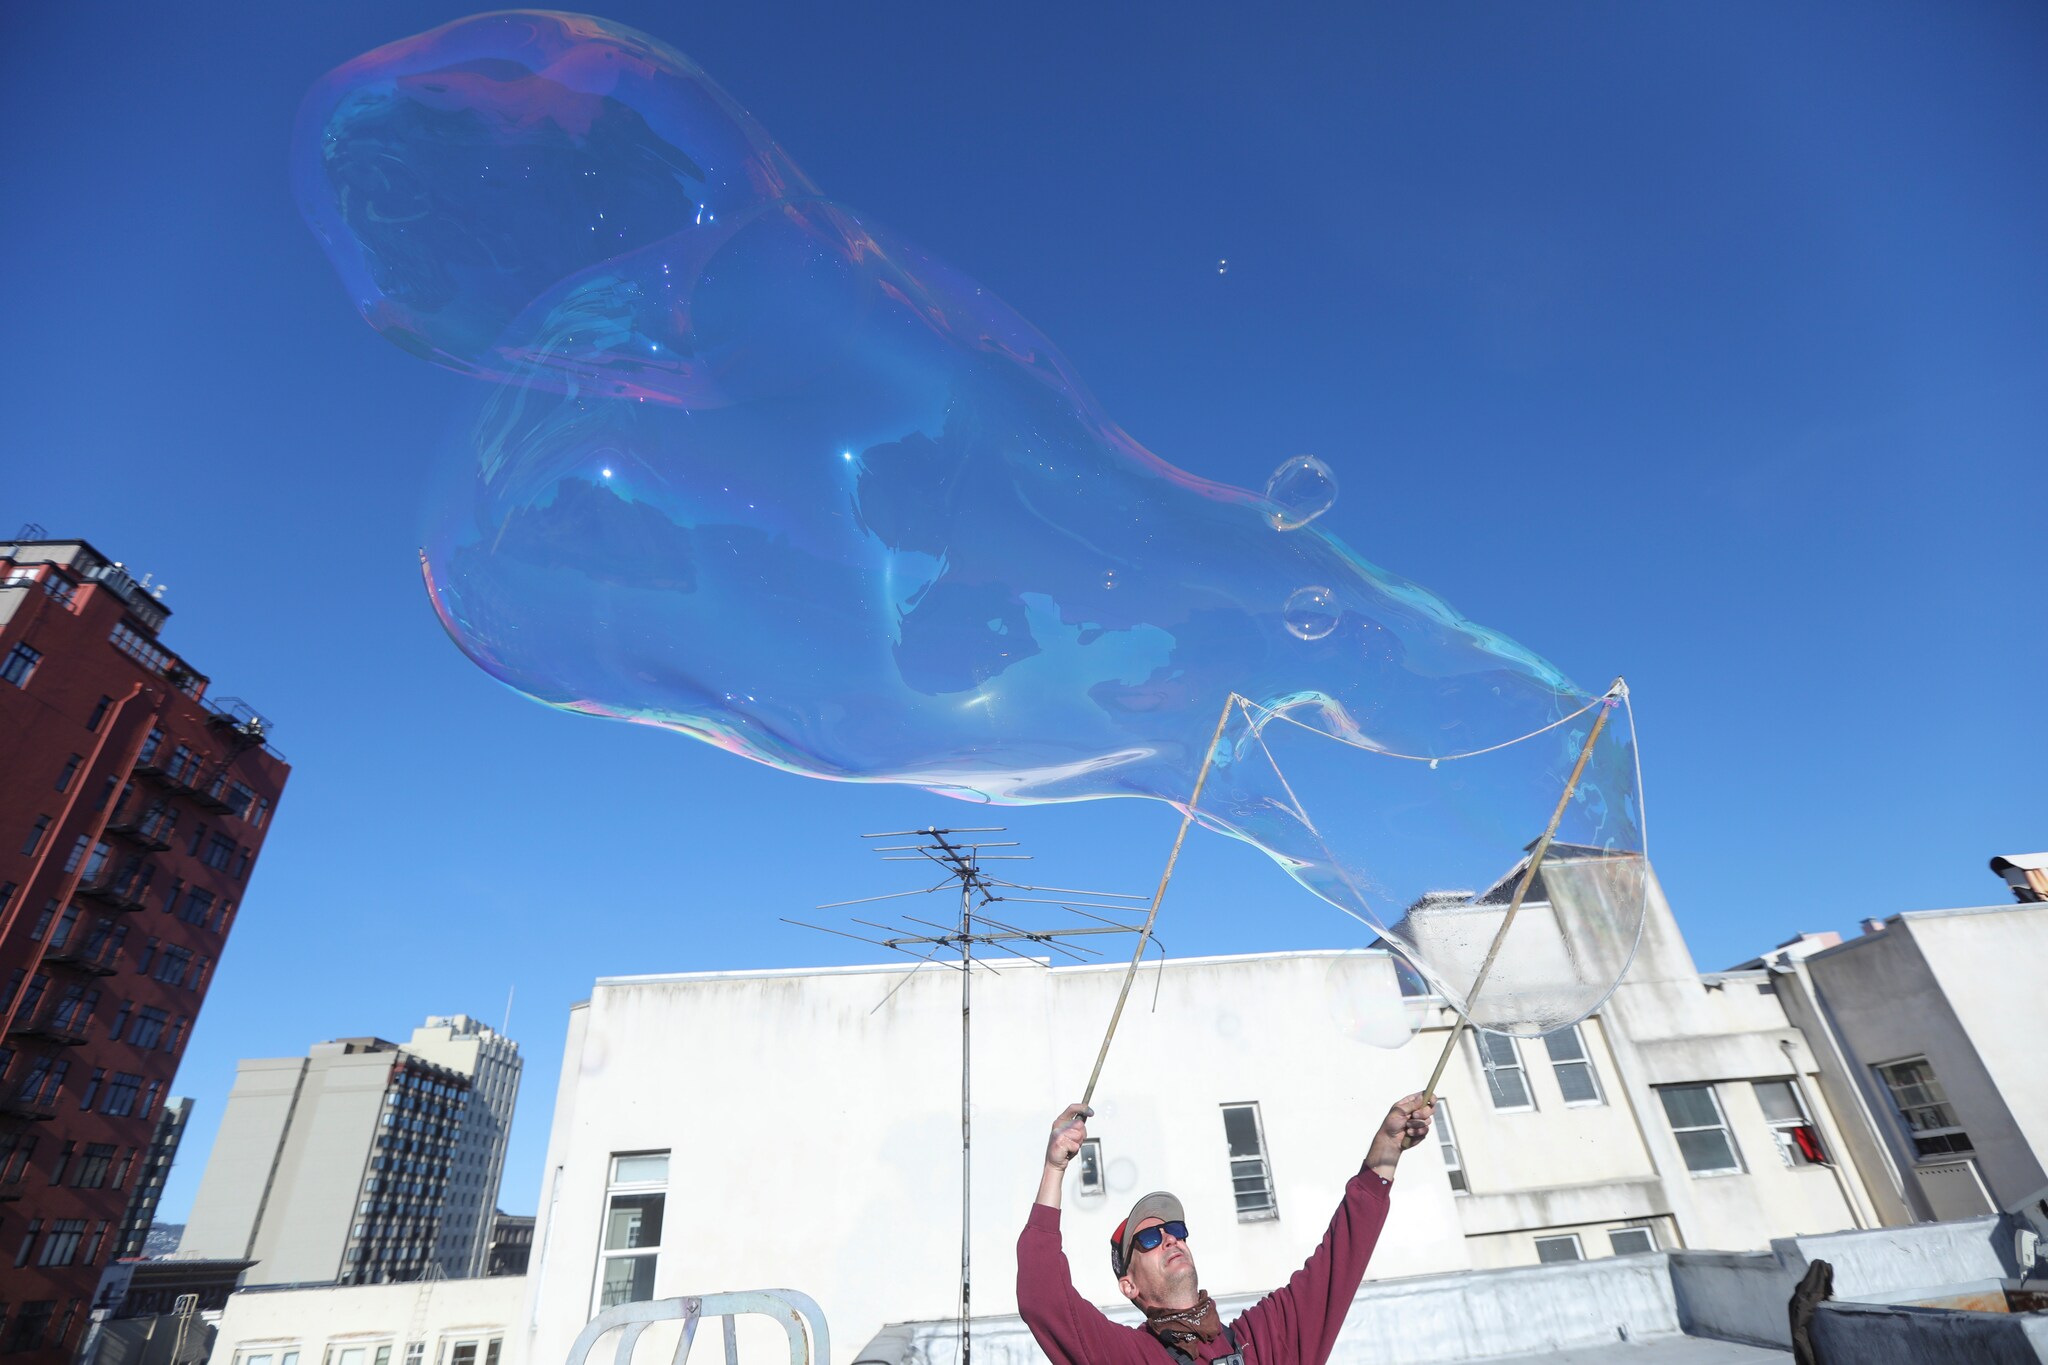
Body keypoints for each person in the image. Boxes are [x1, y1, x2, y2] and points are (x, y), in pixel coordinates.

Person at [1017, 1094, 1436, 1365]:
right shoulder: (1130, 1356)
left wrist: (1384, 1155)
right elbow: (1042, 1297)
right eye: (1148, 1238)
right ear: (1129, 1287)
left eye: (1176, 1229)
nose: (1169, 1238)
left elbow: (1337, 1264)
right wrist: (1054, 1168)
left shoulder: (1264, 1339)